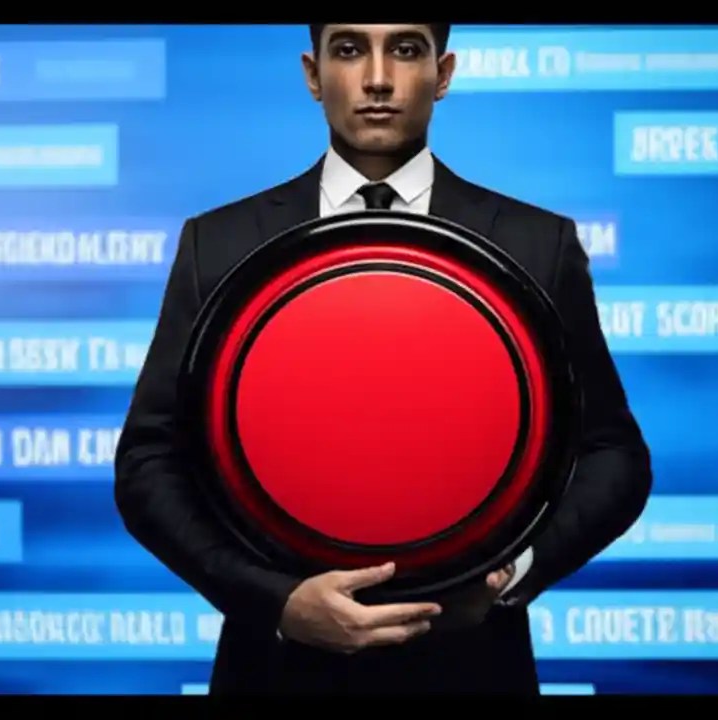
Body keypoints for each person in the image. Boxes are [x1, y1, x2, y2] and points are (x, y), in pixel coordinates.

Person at [114, 22, 653, 694]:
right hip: (280, 671)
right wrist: (276, 600)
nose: (377, 78)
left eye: (405, 49)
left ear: (443, 73)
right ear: (313, 75)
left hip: (471, 667)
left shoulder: (535, 243)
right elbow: (148, 463)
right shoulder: (219, 243)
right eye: (348, 50)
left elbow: (614, 455)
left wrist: (509, 576)